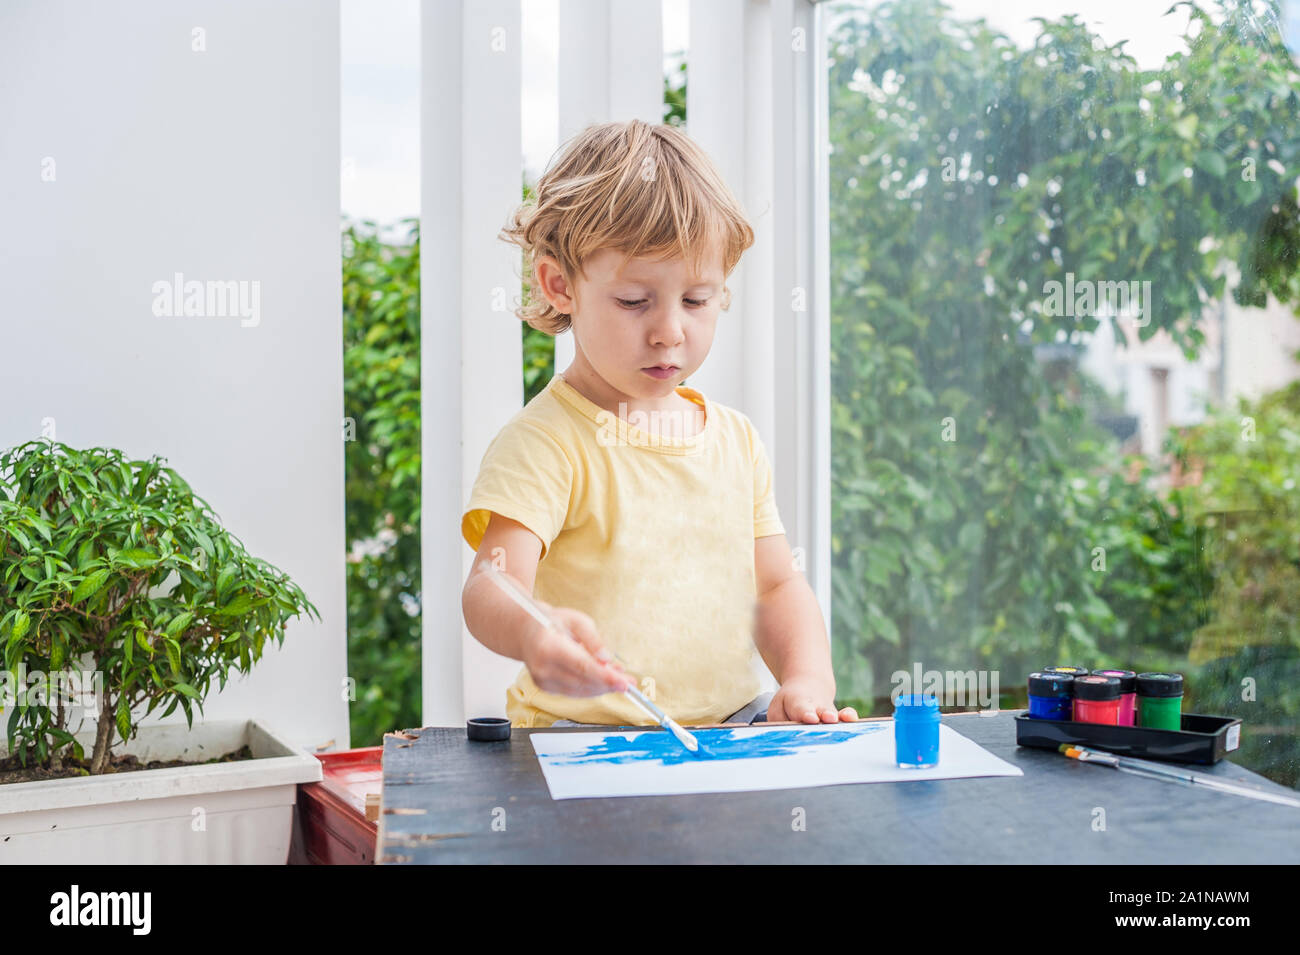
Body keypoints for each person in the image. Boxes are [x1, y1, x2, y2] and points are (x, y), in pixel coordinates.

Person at [460, 119, 858, 729]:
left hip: (730, 725)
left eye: (698, 300)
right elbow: (491, 586)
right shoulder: (544, 443)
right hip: (582, 737)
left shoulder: (735, 441)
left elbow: (778, 587)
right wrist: (536, 634)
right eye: (633, 302)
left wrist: (807, 678)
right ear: (559, 285)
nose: (670, 330)